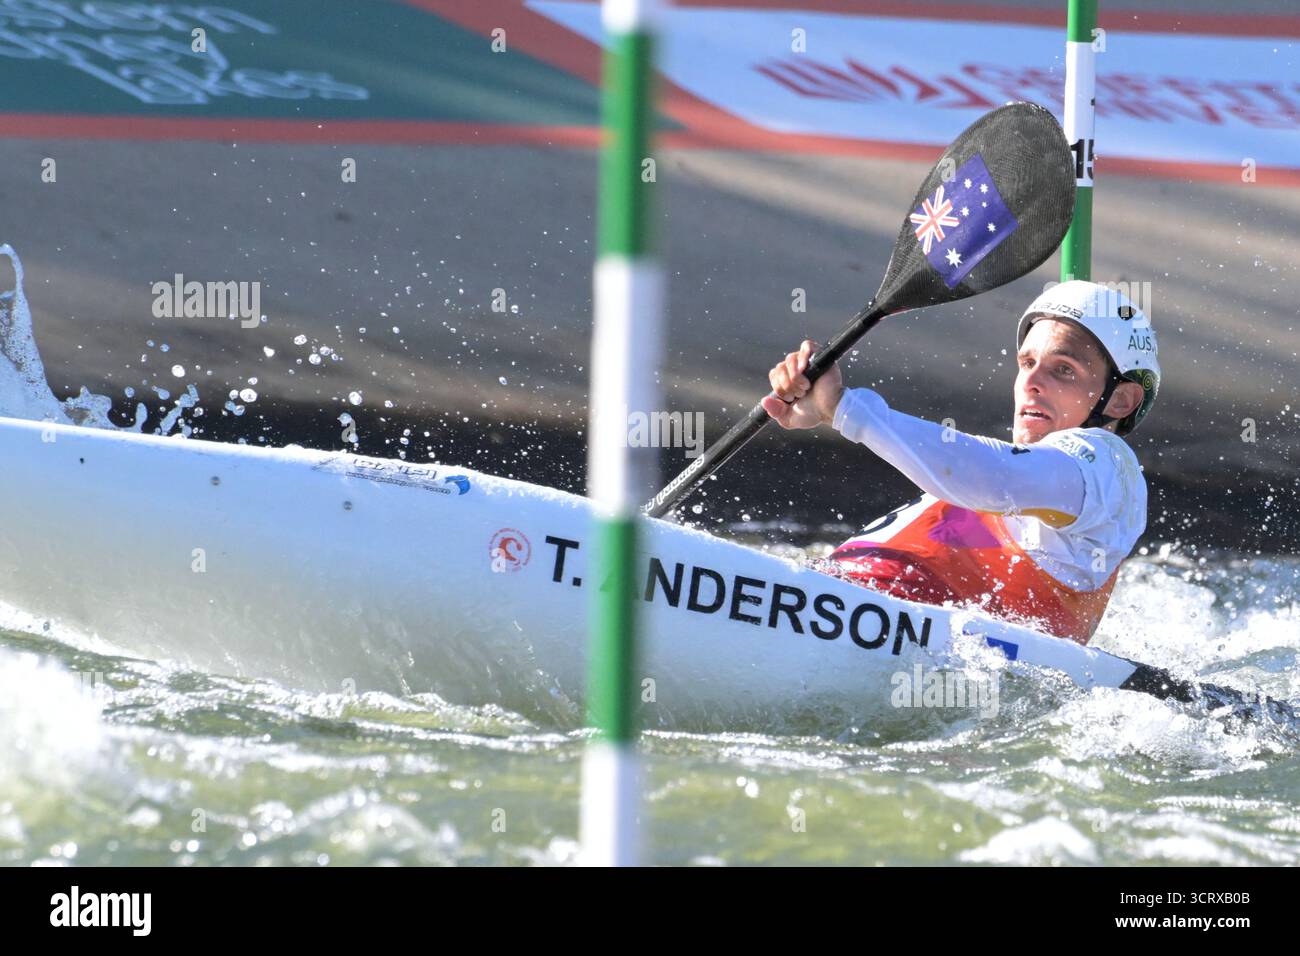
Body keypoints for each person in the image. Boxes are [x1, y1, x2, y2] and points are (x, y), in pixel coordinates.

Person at [761, 280, 1160, 645]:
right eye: (1027, 363)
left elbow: (995, 476)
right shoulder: (1011, 473)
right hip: (835, 611)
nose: (1031, 383)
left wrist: (844, 408)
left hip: (873, 638)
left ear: (1121, 400)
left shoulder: (1108, 468)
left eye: (1063, 370)